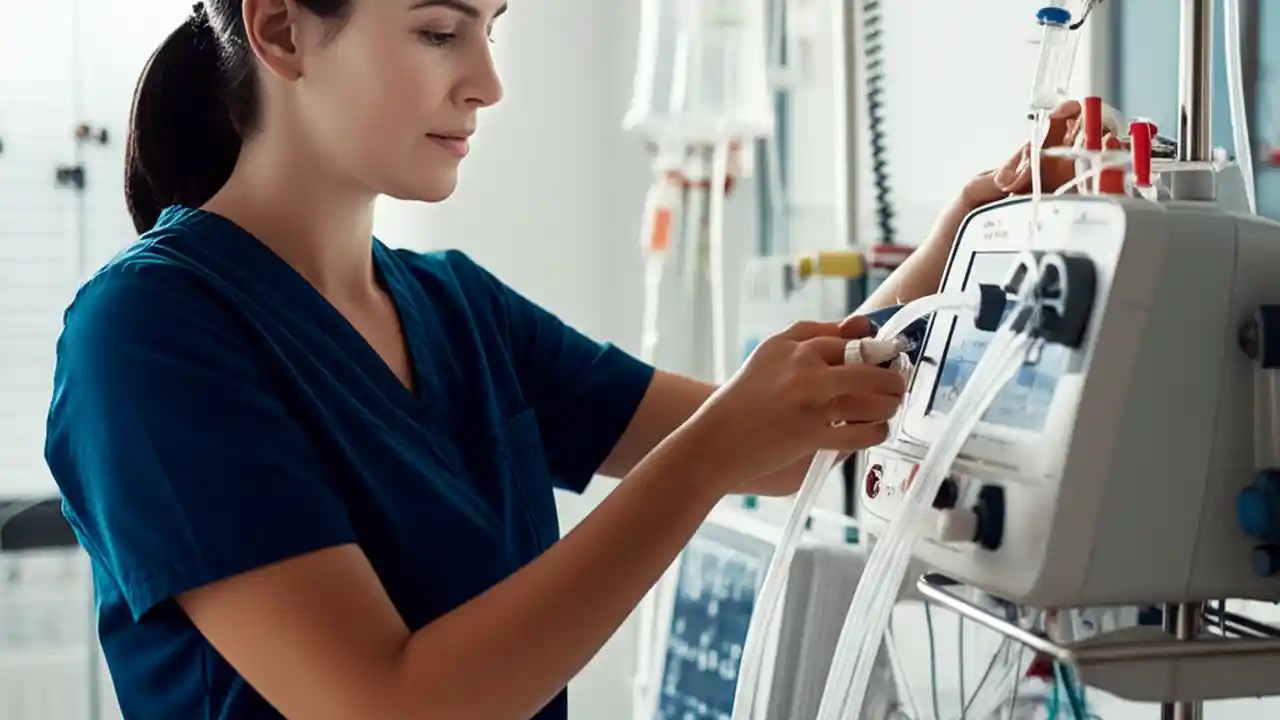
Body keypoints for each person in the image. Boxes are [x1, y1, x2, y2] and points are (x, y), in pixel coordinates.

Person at [41, 2, 1081, 719]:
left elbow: (783, 443)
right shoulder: (147, 333)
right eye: (440, 30)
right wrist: (708, 454)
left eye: (492, 30)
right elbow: (388, 704)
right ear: (279, 29)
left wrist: (961, 236)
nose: (486, 82)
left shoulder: (454, 310)